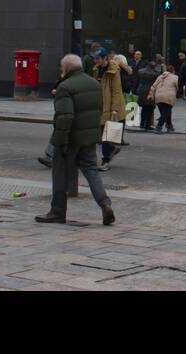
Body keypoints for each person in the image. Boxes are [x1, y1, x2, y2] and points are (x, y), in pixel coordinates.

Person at [36, 54, 115, 226]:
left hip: (70, 138)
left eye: (61, 67)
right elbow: (97, 110)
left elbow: (65, 117)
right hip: (89, 137)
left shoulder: (65, 86)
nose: (60, 70)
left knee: (59, 173)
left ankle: (57, 212)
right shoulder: (94, 84)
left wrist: (60, 141)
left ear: (66, 68)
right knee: (91, 171)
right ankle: (105, 204)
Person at [93, 52, 132, 169]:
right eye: (95, 59)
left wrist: (114, 109)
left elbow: (116, 90)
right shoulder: (96, 69)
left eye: (98, 58)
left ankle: (105, 161)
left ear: (105, 58)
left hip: (111, 106)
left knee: (106, 136)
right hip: (100, 104)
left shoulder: (114, 70)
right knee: (102, 134)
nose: (96, 61)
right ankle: (112, 149)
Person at [149, 63, 179, 133]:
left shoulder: (160, 77)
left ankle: (169, 126)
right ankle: (159, 127)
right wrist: (182, 94)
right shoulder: (175, 77)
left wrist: (151, 94)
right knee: (165, 113)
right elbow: (178, 87)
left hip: (158, 96)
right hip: (168, 97)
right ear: (173, 71)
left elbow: (153, 86)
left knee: (165, 112)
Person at [134, 54, 160, 132]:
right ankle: (147, 124)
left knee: (144, 108)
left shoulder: (140, 71)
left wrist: (135, 91)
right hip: (150, 91)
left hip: (141, 90)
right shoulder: (155, 73)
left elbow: (136, 82)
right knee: (150, 108)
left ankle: (142, 123)